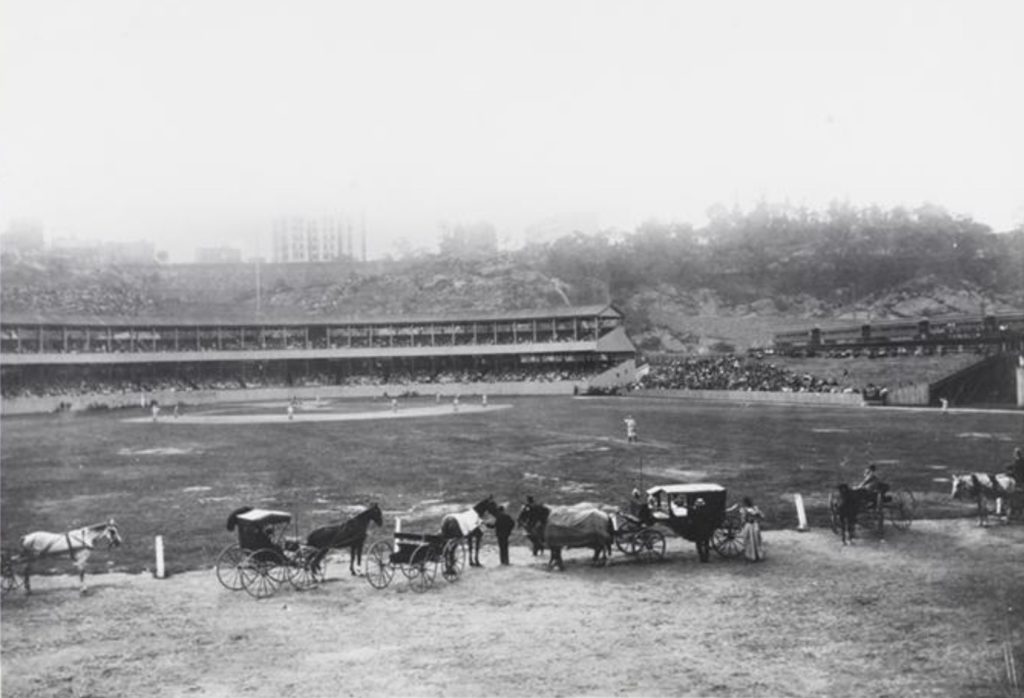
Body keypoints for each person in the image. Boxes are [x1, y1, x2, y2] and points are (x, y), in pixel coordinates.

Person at [736, 497, 765, 562]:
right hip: (755, 525)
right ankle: (757, 555)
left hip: (749, 526)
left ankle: (751, 555)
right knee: (756, 540)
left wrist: (742, 524)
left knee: (749, 540)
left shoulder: (744, 509)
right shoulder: (755, 508)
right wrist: (757, 518)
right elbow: (762, 516)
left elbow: (743, 519)